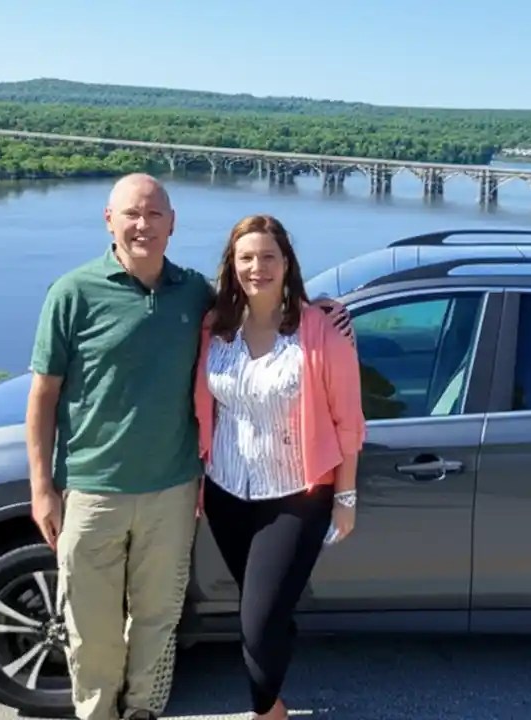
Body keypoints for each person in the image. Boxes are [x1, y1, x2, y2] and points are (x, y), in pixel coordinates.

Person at [26, 175, 349, 720]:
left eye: (155, 215)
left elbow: (263, 296)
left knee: (158, 620)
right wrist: (42, 487)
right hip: (93, 488)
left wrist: (321, 305)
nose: (142, 225)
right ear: (109, 220)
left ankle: (143, 713)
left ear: (172, 224)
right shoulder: (73, 293)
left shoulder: (194, 295)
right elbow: (44, 395)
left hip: (175, 489)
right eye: (131, 214)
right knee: (91, 627)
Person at [192, 214, 365, 720]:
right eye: (246, 257)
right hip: (226, 492)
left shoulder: (321, 329)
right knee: (262, 607)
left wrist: (346, 497)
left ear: (286, 263)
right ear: (232, 266)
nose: (257, 267)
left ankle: (267, 711)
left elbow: (348, 419)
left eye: (268, 256)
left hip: (295, 495)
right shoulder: (214, 329)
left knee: (257, 620)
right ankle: (273, 658)